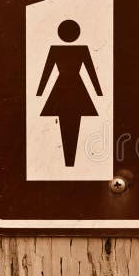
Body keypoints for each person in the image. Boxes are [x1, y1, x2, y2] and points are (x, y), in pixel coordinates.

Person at [36, 19, 103, 166]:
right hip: (76, 88)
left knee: (69, 122)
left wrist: (40, 92)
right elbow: (91, 72)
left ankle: (70, 162)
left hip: (62, 89)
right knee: (71, 122)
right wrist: (98, 92)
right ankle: (69, 162)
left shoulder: (59, 49)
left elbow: (90, 71)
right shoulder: (80, 49)